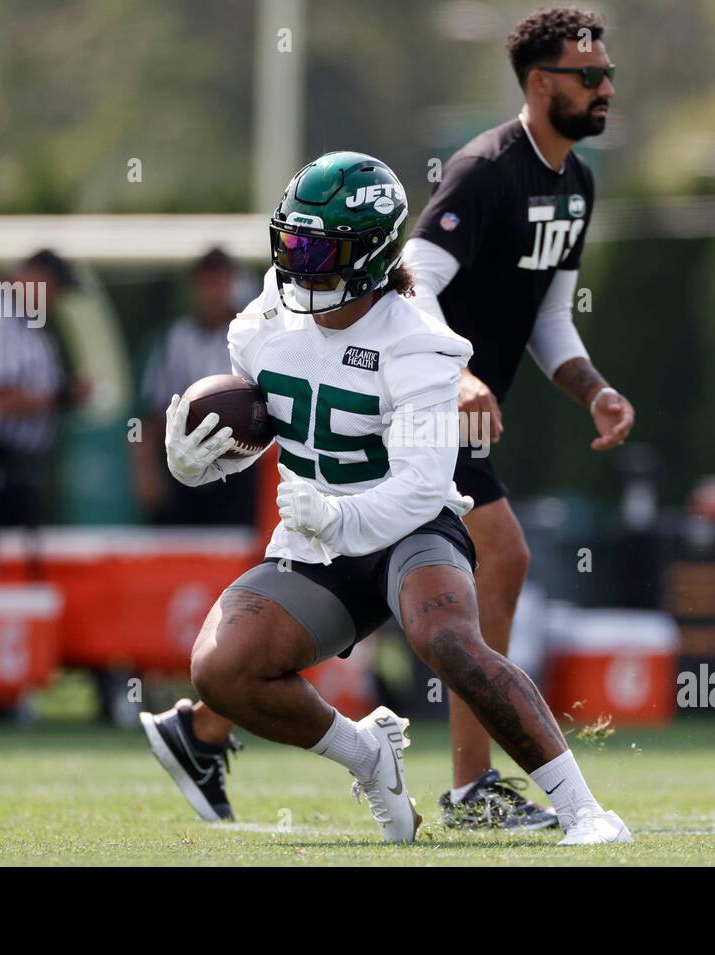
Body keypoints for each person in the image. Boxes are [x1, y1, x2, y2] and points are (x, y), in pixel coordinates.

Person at [138, 151, 630, 844]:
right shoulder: (260, 324)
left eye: (320, 248)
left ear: (369, 253)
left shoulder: (419, 343)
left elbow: (422, 489)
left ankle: (585, 810)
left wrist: (338, 515)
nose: (301, 263)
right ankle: (368, 756)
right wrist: (198, 465)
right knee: (221, 670)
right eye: (293, 242)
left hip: (409, 532)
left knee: (448, 638)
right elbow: (259, 428)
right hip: (317, 541)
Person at [400, 6, 635, 828]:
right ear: (541, 84)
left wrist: (594, 389)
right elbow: (411, 280)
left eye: (607, 74)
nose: (605, 88)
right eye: (589, 76)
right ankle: (471, 788)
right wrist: (457, 369)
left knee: (366, 589)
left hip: (457, 423)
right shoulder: (486, 170)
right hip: (412, 408)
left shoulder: (577, 180)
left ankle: (205, 719)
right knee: (501, 558)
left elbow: (548, 318)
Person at [0, 249, 89, 566]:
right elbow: (3, 398)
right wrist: (63, 398)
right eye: (54, 287)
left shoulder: (22, 318)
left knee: (18, 561)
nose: (56, 299)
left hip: (13, 460)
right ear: (33, 276)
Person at [132, 248, 258, 527]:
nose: (214, 292)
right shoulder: (176, 340)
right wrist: (146, 471)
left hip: (241, 464)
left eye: (221, 282)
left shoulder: (253, 336)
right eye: (207, 283)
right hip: (186, 459)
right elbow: (148, 414)